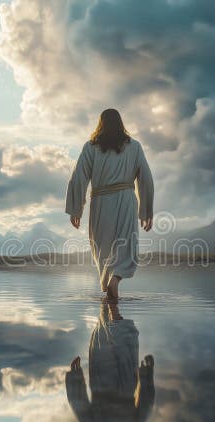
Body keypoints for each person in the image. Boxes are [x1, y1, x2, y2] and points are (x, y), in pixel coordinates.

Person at [65, 108, 154, 301]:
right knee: (126, 245)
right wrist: (146, 211)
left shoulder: (90, 147)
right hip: (126, 200)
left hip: (100, 202)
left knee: (103, 248)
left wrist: (76, 209)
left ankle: (108, 286)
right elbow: (146, 178)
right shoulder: (135, 147)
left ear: (101, 124)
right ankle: (115, 281)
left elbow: (78, 177)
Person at [65, 300, 155, 422]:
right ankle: (110, 299)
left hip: (123, 382)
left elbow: (147, 402)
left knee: (115, 335)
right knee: (105, 333)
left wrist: (147, 374)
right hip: (104, 381)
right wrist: (74, 375)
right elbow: (77, 402)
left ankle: (110, 299)